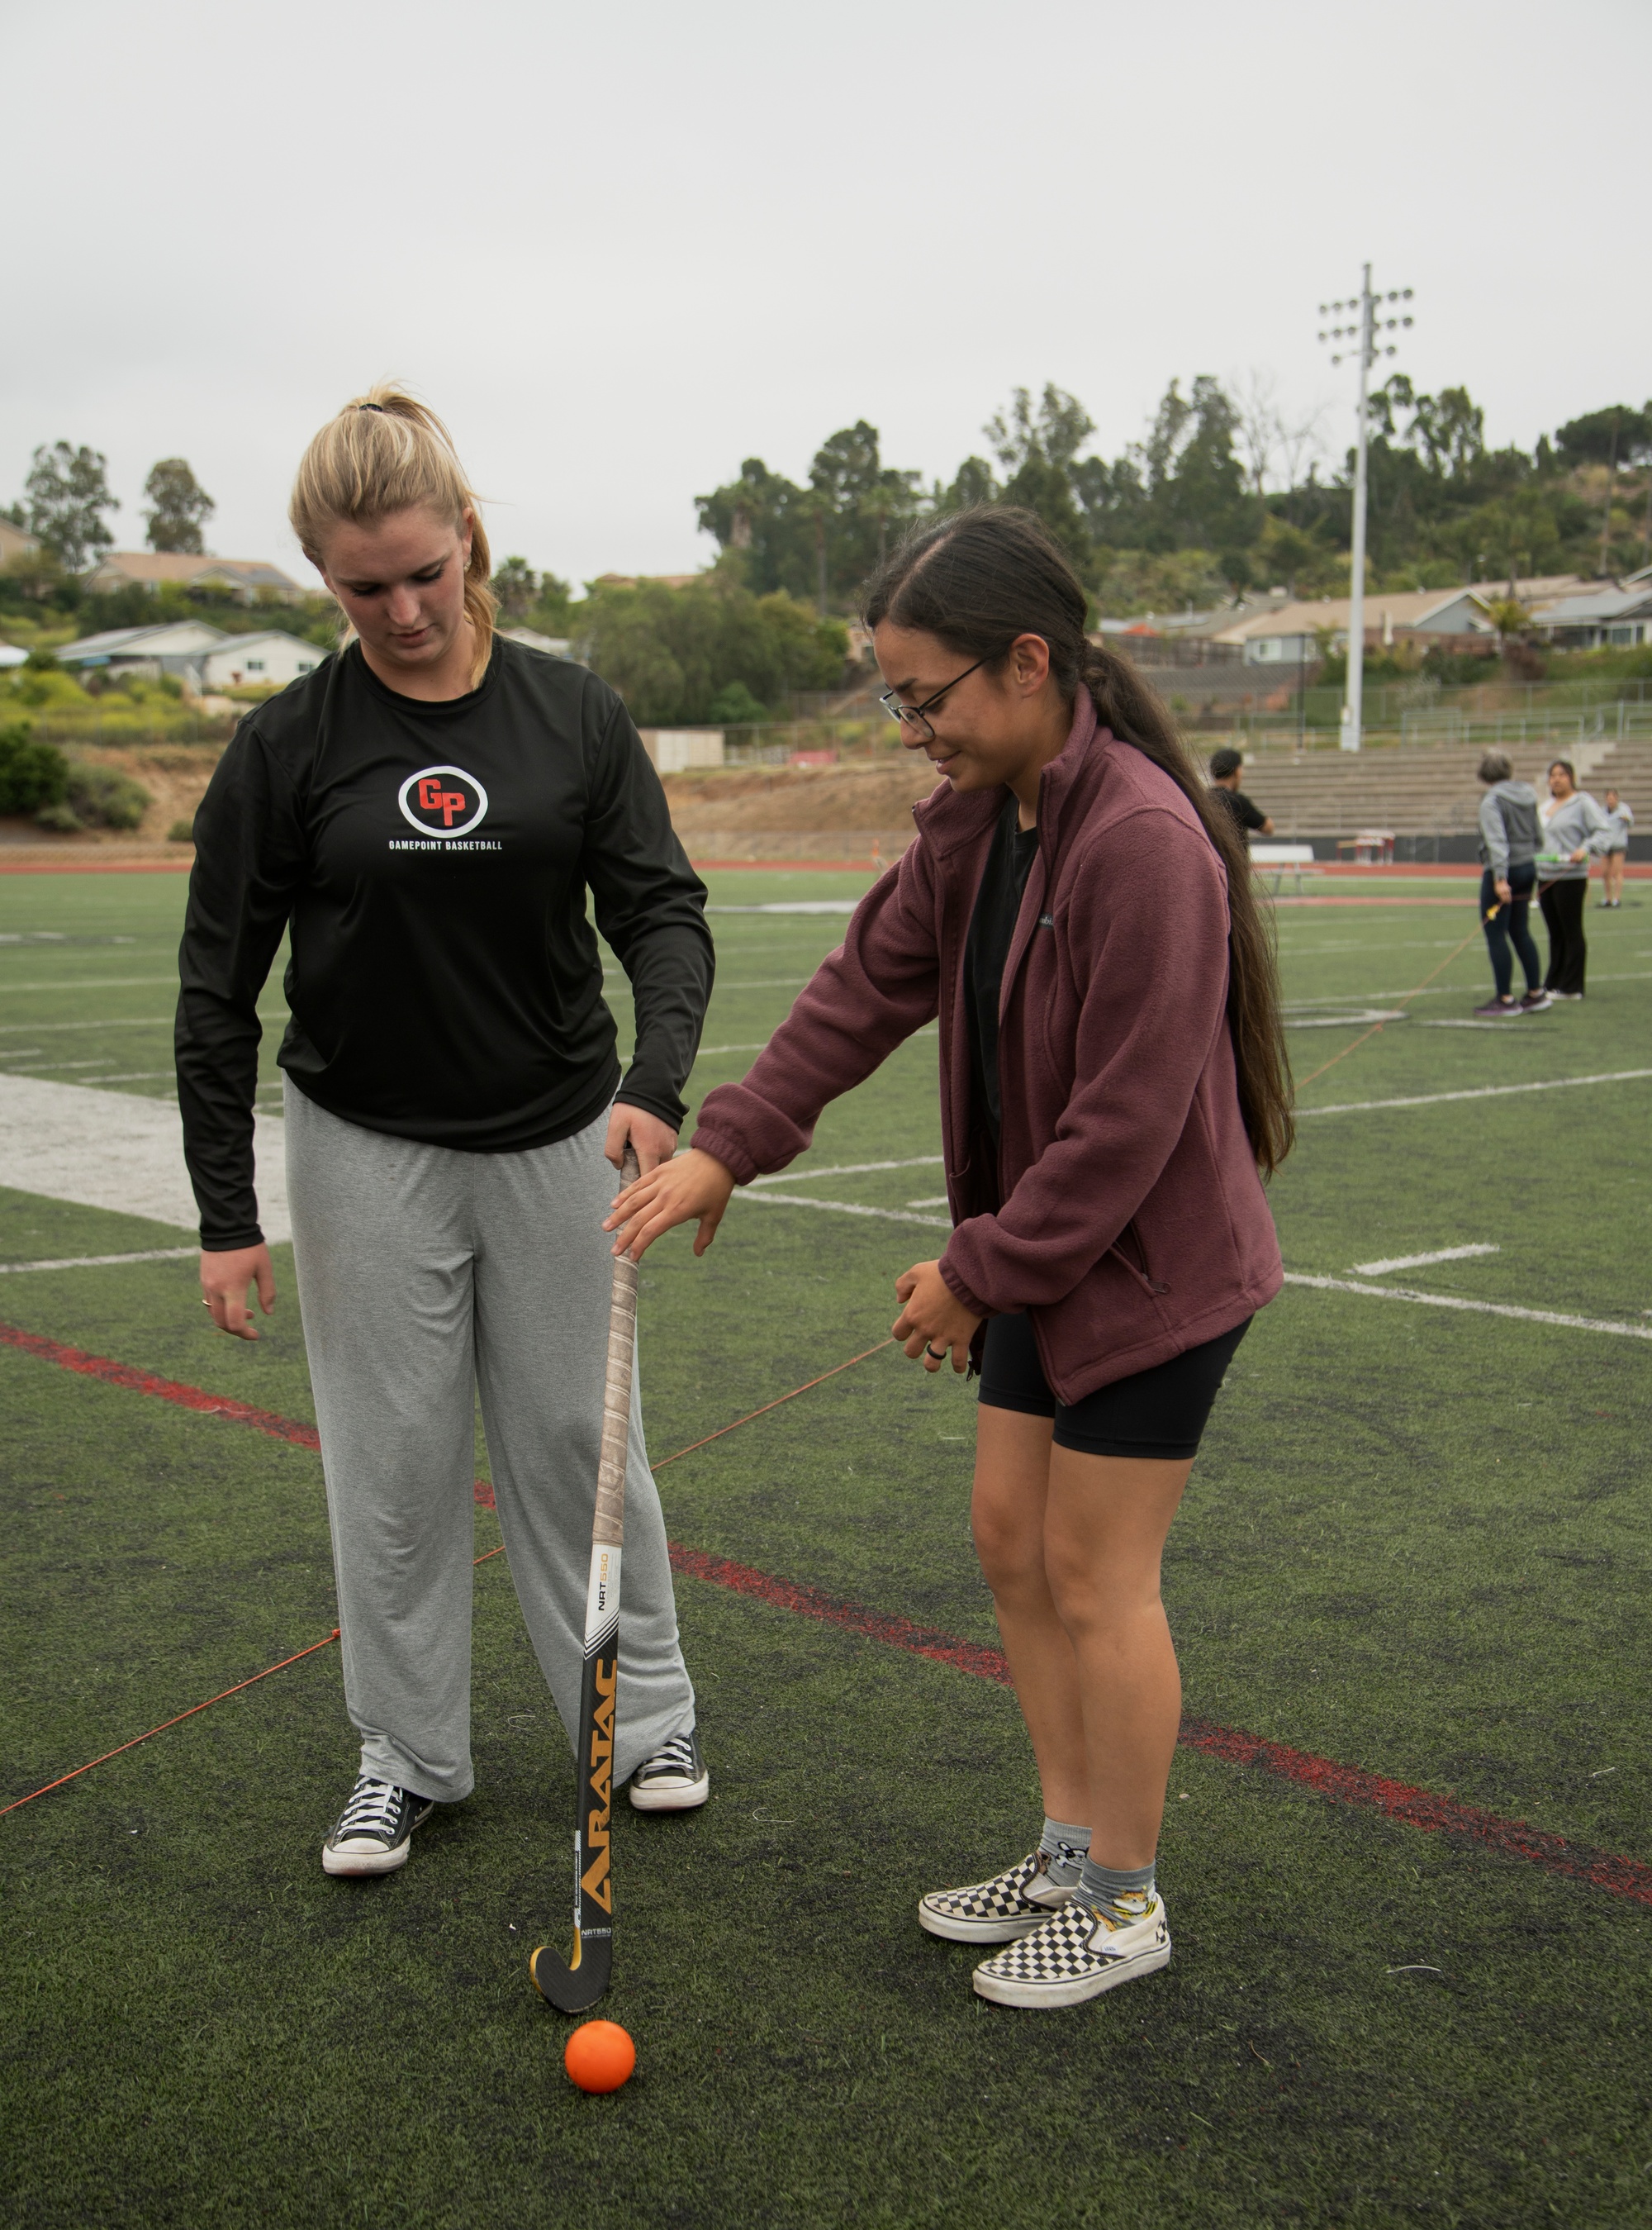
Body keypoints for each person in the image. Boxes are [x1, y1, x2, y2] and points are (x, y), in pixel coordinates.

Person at [607, 506, 1290, 2011]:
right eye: (893, 697)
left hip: (1154, 1269)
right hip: (1053, 1254)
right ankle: (1066, 1846)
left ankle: (1122, 1902)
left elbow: (1124, 1127)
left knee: (1101, 1576)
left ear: (1031, 663)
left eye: (927, 695)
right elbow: (862, 992)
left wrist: (981, 1271)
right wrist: (730, 1141)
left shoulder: (1146, 844)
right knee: (1010, 1539)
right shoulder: (982, 818)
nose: (912, 725)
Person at [175, 387, 716, 1878]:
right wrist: (229, 1217)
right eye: (365, 587)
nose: (405, 609)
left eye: (427, 570)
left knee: (579, 1443)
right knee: (392, 1461)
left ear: (470, 539)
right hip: (364, 1148)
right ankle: (406, 1756)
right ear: (323, 580)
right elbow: (216, 990)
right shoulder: (287, 747)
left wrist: (656, 1085)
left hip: (561, 1135)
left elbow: (661, 913)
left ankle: (639, 1722)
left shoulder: (573, 715)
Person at [1472, 749, 1550, 1016]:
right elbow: (1539, 836)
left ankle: (1505, 998)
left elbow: (1497, 842)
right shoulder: (1528, 796)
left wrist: (1500, 877)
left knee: (1496, 933)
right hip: (1528, 866)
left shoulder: (1491, 802)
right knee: (1520, 930)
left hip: (1505, 870)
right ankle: (1535, 993)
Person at [1536, 759, 1612, 998]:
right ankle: (1553, 981)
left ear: (1571, 778)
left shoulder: (1582, 802)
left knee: (1571, 930)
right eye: (1553, 775)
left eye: (1562, 774)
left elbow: (1603, 830)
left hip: (1570, 875)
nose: (1556, 779)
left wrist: (1585, 848)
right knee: (1554, 932)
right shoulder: (1545, 805)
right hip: (1545, 874)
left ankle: (1572, 986)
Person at [1208, 746, 1275, 839]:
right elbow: (1268, 828)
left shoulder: (1202, 799)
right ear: (1237, 772)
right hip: (1232, 853)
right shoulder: (1238, 802)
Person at [1600, 788, 1632, 908]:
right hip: (1605, 845)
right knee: (1604, 873)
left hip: (1618, 844)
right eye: (1608, 798)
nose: (1610, 800)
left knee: (1616, 872)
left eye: (1612, 798)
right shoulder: (1602, 811)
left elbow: (1630, 822)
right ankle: (1608, 898)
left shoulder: (1623, 809)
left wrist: (1626, 819)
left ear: (1616, 798)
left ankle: (1616, 898)